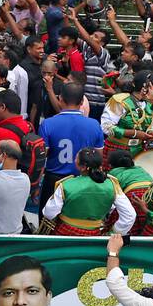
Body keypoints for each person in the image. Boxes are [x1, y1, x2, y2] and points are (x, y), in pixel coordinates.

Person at [36, 82, 104, 211]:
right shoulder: (94, 125)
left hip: (54, 181)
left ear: (60, 99)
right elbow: (98, 157)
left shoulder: (48, 124)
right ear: (82, 102)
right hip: (84, 180)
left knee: (47, 224)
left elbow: (41, 158)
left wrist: (36, 185)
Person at [43, 147, 135, 236]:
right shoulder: (112, 185)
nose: (74, 160)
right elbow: (130, 215)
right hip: (94, 234)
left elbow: (49, 213)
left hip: (66, 232)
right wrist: (114, 233)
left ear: (82, 167)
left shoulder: (66, 185)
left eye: (76, 158)